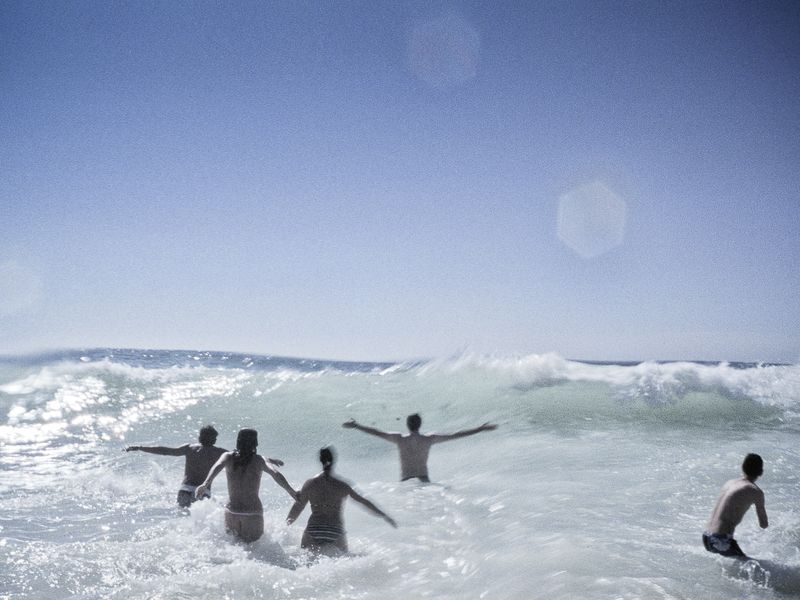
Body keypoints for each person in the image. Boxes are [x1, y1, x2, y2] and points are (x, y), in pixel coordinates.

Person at [286, 447, 397, 556]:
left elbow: (298, 507)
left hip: (314, 529)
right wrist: (384, 515)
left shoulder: (309, 484)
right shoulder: (342, 485)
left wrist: (285, 525)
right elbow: (363, 501)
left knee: (304, 563)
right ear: (334, 460)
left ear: (320, 460)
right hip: (335, 530)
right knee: (344, 563)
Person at [195, 428, 297, 543]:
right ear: (256, 442)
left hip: (232, 510)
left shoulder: (228, 456)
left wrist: (205, 483)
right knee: (255, 552)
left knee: (234, 548)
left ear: (238, 440)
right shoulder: (259, 460)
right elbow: (275, 474)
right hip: (252, 512)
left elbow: (216, 467)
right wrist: (291, 491)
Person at [342, 413, 497, 482]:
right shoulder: (429, 440)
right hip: (424, 480)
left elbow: (376, 432)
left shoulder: (399, 439)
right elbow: (456, 435)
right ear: (420, 425)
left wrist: (356, 426)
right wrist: (480, 429)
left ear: (407, 425)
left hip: (406, 482)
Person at [126, 425, 228, 507]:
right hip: (202, 491)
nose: (215, 440)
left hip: (185, 490)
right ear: (212, 439)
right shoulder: (219, 452)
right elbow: (238, 458)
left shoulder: (189, 448)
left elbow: (165, 451)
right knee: (200, 524)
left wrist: (140, 447)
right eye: (215, 438)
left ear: (200, 437)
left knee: (183, 521)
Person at [703, 453, 769, 558]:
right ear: (761, 472)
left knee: (740, 564)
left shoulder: (730, 483)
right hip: (720, 539)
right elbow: (764, 524)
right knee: (753, 567)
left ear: (743, 468)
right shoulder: (755, 491)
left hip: (706, 537)